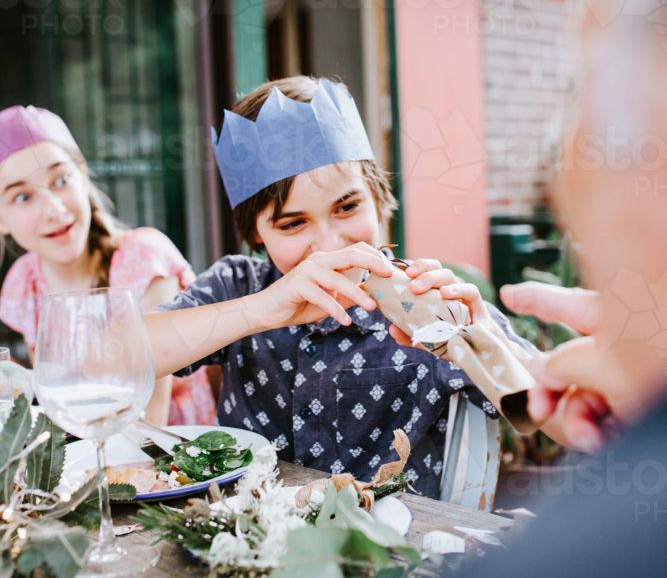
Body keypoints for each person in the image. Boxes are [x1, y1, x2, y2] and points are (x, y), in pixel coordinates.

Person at [288, 0, 667, 578]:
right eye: (291, 223)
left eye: (578, 99)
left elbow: (524, 423)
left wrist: (478, 346)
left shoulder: (441, 290)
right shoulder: (245, 292)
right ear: (256, 238)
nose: (560, 172)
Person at [147, 76, 537, 495]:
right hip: (250, 543)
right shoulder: (238, 285)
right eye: (293, 223)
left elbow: (556, 411)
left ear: (377, 195)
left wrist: (488, 338)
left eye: (347, 207)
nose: (329, 246)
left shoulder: (432, 299)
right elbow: (112, 360)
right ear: (257, 233)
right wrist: (258, 310)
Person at [0, 105, 216, 427]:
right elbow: (55, 399)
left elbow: (150, 418)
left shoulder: (144, 259)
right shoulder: (25, 280)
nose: (54, 210)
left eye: (61, 179)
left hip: (177, 458)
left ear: (83, 178)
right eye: (22, 197)